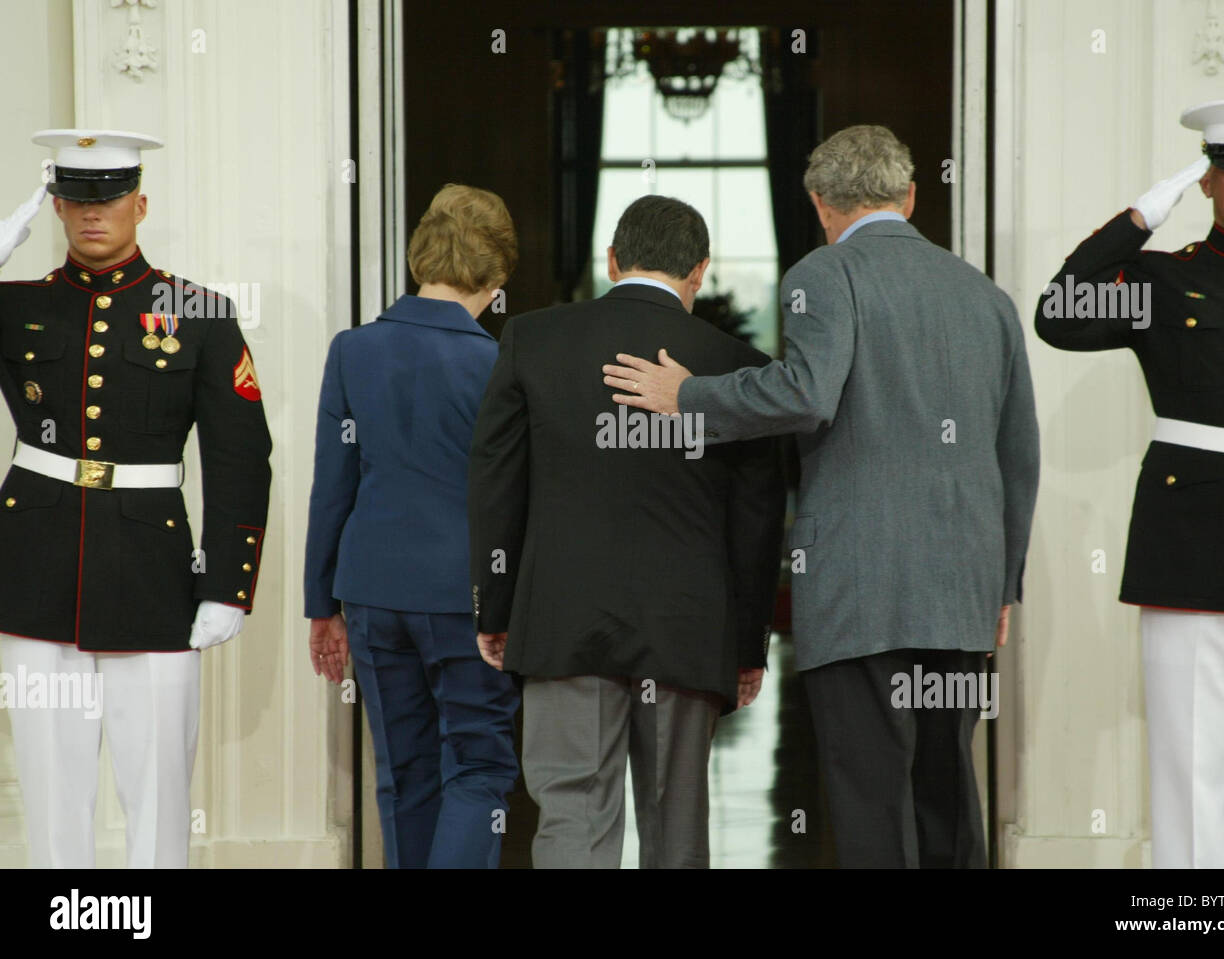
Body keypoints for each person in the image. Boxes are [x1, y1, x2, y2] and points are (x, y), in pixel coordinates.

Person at [603, 126, 1040, 868]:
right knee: (946, 787)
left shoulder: (825, 274)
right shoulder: (986, 295)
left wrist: (689, 395)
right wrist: (1002, 580)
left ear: (817, 203)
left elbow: (806, 394)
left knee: (872, 793)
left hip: (861, 591)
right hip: (961, 588)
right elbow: (1018, 454)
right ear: (909, 195)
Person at [468, 195, 785, 869]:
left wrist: (495, 607)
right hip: (686, 628)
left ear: (611, 260)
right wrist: (749, 642)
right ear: (700, 270)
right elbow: (755, 523)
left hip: (562, 619)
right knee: (676, 824)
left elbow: (496, 484)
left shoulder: (530, 339)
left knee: (572, 811)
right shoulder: (741, 366)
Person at [1034, 96, 1224, 868]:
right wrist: (1144, 213)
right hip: (1188, 543)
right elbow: (1059, 312)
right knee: (1187, 760)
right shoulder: (1158, 279)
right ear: (1209, 183)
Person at [0, 129, 272, 868]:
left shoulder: (201, 312)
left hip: (154, 573)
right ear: (54, 207)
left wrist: (227, 585)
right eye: (76, 199)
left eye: (111, 197)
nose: (94, 213)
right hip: (35, 573)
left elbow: (240, 455)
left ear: (141, 204)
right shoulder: (16, 307)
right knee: (52, 791)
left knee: (157, 791)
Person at [304, 183, 521, 869]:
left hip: (371, 590)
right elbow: (516, 495)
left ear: (419, 254)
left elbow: (331, 482)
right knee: (480, 765)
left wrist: (321, 605)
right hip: (467, 596)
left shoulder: (353, 350)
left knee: (403, 771)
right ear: (496, 274)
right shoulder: (497, 362)